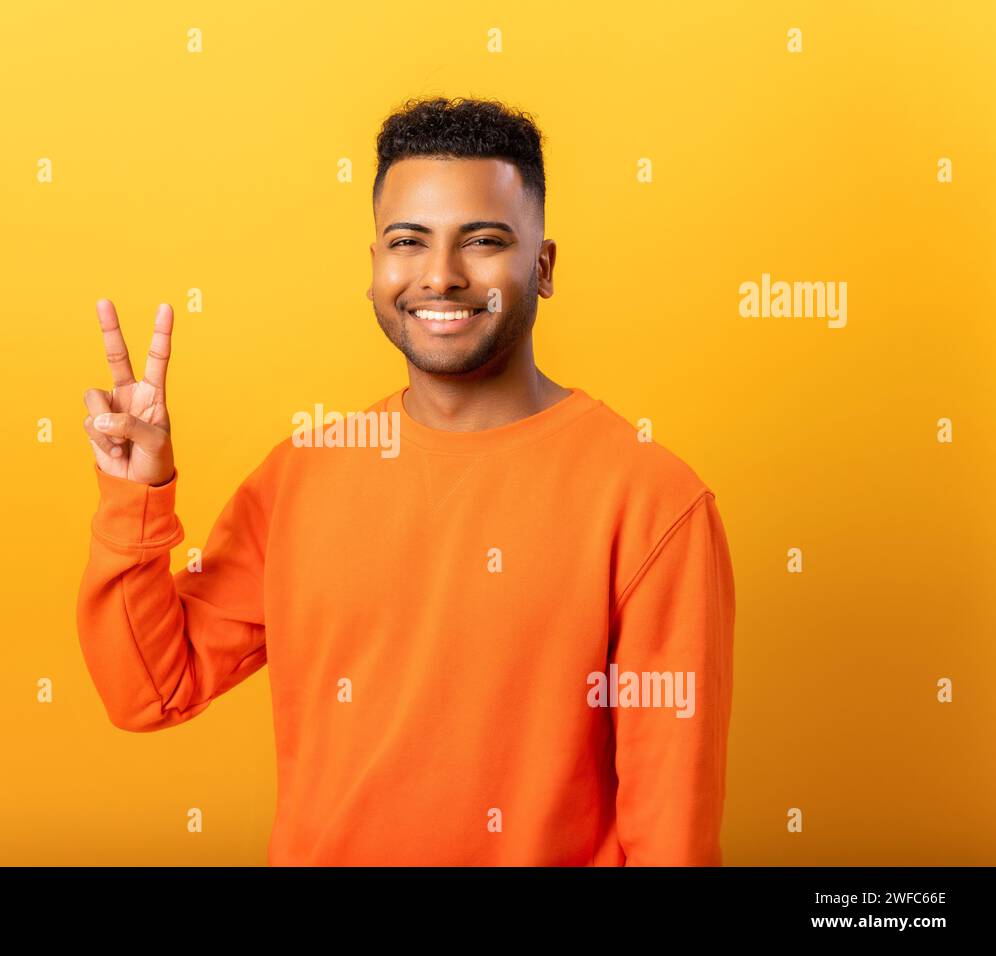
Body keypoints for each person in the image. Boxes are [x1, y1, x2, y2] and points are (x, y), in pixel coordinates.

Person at [76, 96, 735, 866]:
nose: (441, 276)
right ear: (376, 268)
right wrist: (133, 500)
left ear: (543, 266)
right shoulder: (302, 474)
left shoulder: (654, 502)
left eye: (483, 241)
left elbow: (673, 834)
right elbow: (149, 691)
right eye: (408, 242)